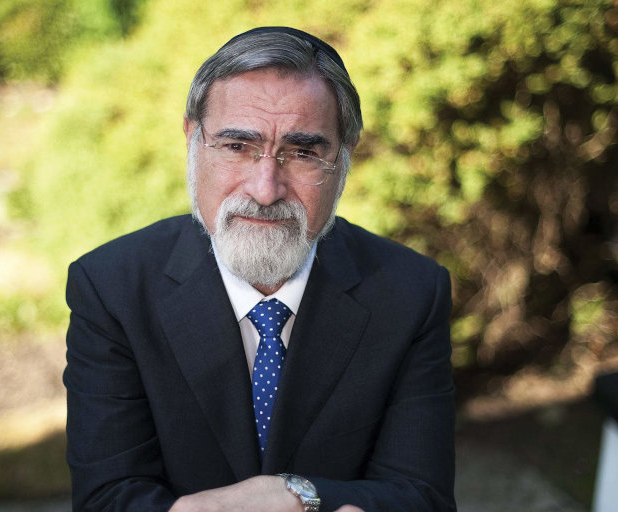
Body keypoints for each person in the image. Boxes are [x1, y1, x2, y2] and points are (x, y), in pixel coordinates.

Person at [64, 26, 456, 512]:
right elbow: (107, 497)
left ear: (344, 157)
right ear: (192, 139)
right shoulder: (112, 288)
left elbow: (421, 496)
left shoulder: (411, 292)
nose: (266, 189)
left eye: (304, 152)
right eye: (236, 146)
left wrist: (296, 494)